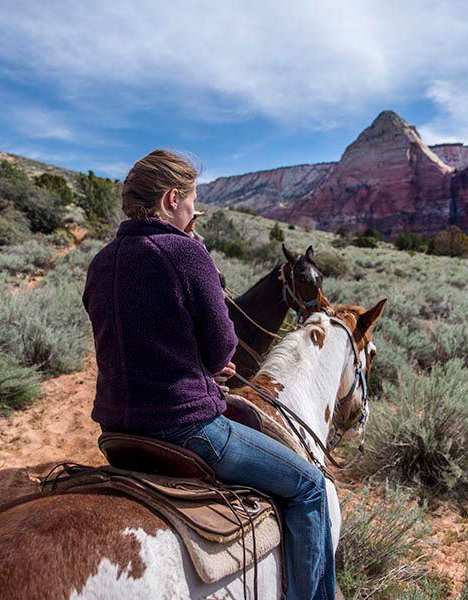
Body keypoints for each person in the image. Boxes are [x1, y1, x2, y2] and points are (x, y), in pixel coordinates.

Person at [82, 149, 336, 600]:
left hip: (116, 430)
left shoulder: (101, 262)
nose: (194, 211)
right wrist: (196, 252)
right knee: (311, 488)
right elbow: (224, 347)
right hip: (188, 430)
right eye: (192, 201)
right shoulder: (185, 252)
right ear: (172, 198)